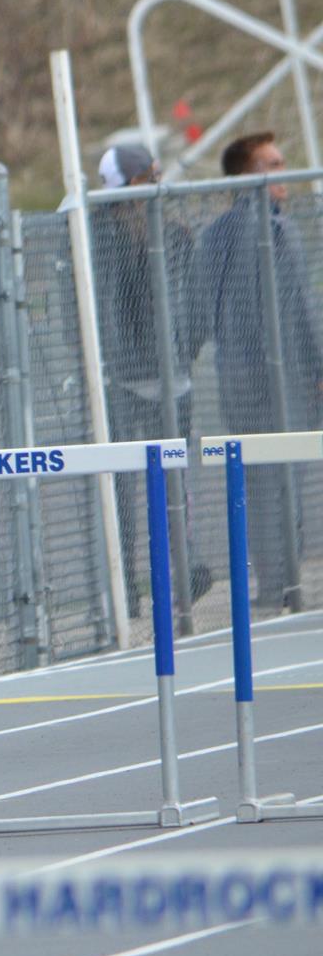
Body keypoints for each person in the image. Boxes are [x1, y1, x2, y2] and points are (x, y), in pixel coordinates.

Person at [191, 130, 323, 608]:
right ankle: (277, 587)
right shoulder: (234, 232)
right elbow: (203, 307)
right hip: (259, 384)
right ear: (248, 176)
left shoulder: (278, 227)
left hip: (285, 381)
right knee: (269, 484)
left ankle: (285, 582)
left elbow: (302, 308)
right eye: (273, 165)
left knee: (284, 482)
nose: (284, 174)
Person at [89, 140, 208, 605]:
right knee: (121, 487)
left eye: (157, 174)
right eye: (147, 177)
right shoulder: (99, 238)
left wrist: (183, 350)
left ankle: (182, 572)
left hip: (173, 382)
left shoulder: (173, 232)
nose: (157, 185)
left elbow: (193, 299)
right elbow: (96, 310)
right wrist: (114, 363)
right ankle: (127, 588)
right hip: (122, 385)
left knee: (176, 478)